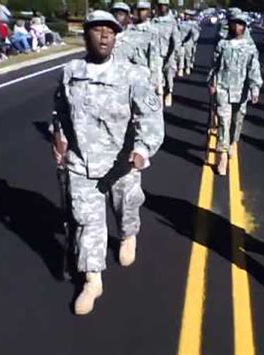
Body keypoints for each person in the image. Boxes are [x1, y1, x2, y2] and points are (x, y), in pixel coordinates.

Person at [51, 10, 164, 315]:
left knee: (125, 208)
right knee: (87, 222)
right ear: (85, 35)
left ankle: (128, 235)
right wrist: (58, 136)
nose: (104, 36)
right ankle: (92, 279)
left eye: (110, 32)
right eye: (98, 30)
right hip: (81, 163)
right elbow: (59, 108)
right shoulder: (71, 71)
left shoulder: (133, 75)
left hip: (121, 164)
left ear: (117, 37)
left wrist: (142, 150)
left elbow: (151, 118)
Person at [208, 12, 263, 176]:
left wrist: (255, 88)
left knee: (236, 122)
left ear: (245, 27)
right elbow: (215, 65)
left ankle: (232, 142)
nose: (237, 27)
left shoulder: (250, 48)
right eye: (234, 24)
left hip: (241, 91)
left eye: (240, 24)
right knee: (223, 121)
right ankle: (222, 156)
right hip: (223, 88)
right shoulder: (222, 44)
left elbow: (254, 69)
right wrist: (211, 82)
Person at [152, 0, 181, 107]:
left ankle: (169, 91)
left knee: (169, 75)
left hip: (169, 53)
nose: (162, 7)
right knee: (157, 77)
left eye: (164, 5)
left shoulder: (172, 22)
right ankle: (159, 99)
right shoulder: (154, 21)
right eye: (160, 5)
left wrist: (175, 55)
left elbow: (176, 40)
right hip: (156, 54)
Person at [176, 9, 200, 77]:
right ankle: (181, 68)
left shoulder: (193, 24)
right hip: (181, 41)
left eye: (188, 15)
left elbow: (196, 33)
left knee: (188, 55)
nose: (186, 16)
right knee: (181, 55)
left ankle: (188, 66)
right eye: (185, 15)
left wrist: (194, 40)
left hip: (189, 41)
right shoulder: (181, 23)